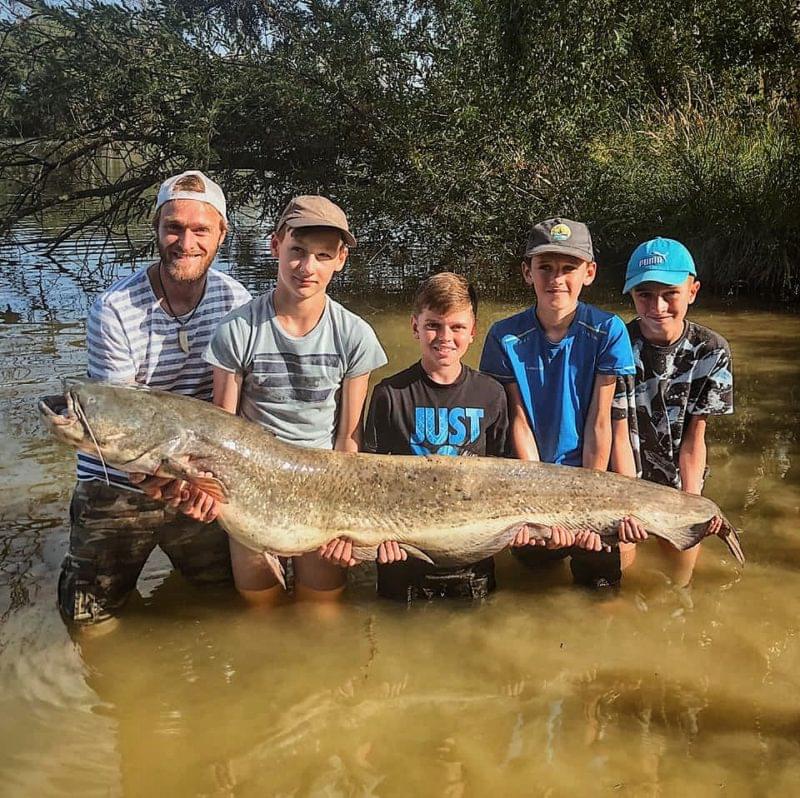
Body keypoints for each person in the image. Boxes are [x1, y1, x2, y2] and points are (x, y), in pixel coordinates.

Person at [58, 170, 252, 627]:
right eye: (174, 228)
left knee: (230, 603)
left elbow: (239, 412)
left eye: (201, 229)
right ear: (157, 228)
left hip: (196, 477)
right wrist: (184, 484)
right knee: (88, 621)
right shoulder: (115, 309)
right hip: (119, 481)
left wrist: (208, 488)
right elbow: (118, 429)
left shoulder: (236, 300)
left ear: (222, 234)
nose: (186, 241)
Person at [202, 195, 387, 606]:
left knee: (321, 610)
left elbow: (348, 440)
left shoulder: (355, 336)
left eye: (323, 256)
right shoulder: (238, 330)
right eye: (297, 252)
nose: (307, 268)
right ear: (275, 247)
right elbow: (220, 433)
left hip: (323, 488)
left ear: (340, 260)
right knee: (260, 609)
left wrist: (344, 521)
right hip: (249, 483)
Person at [479, 217, 638, 590]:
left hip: (590, 476)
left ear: (590, 273)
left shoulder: (608, 330)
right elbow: (518, 419)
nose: (556, 279)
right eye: (545, 268)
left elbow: (600, 421)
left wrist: (587, 507)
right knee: (534, 579)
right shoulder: (504, 336)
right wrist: (538, 503)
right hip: (532, 477)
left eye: (569, 268)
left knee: (601, 586)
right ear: (526, 272)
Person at [362, 272, 510, 602]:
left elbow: (505, 476)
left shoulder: (492, 394)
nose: (445, 337)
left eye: (457, 327)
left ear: (472, 333)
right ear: (415, 327)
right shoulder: (390, 393)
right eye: (434, 325)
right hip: (402, 557)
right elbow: (368, 477)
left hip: (473, 563)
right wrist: (377, 539)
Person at [616, 237, 733, 585]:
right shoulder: (617, 343)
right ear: (632, 296)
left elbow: (696, 437)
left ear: (693, 291)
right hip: (624, 482)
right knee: (618, 583)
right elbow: (617, 432)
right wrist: (627, 501)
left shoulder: (712, 350)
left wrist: (692, 503)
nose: (658, 306)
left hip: (678, 484)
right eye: (645, 295)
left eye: (670, 293)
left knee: (678, 584)